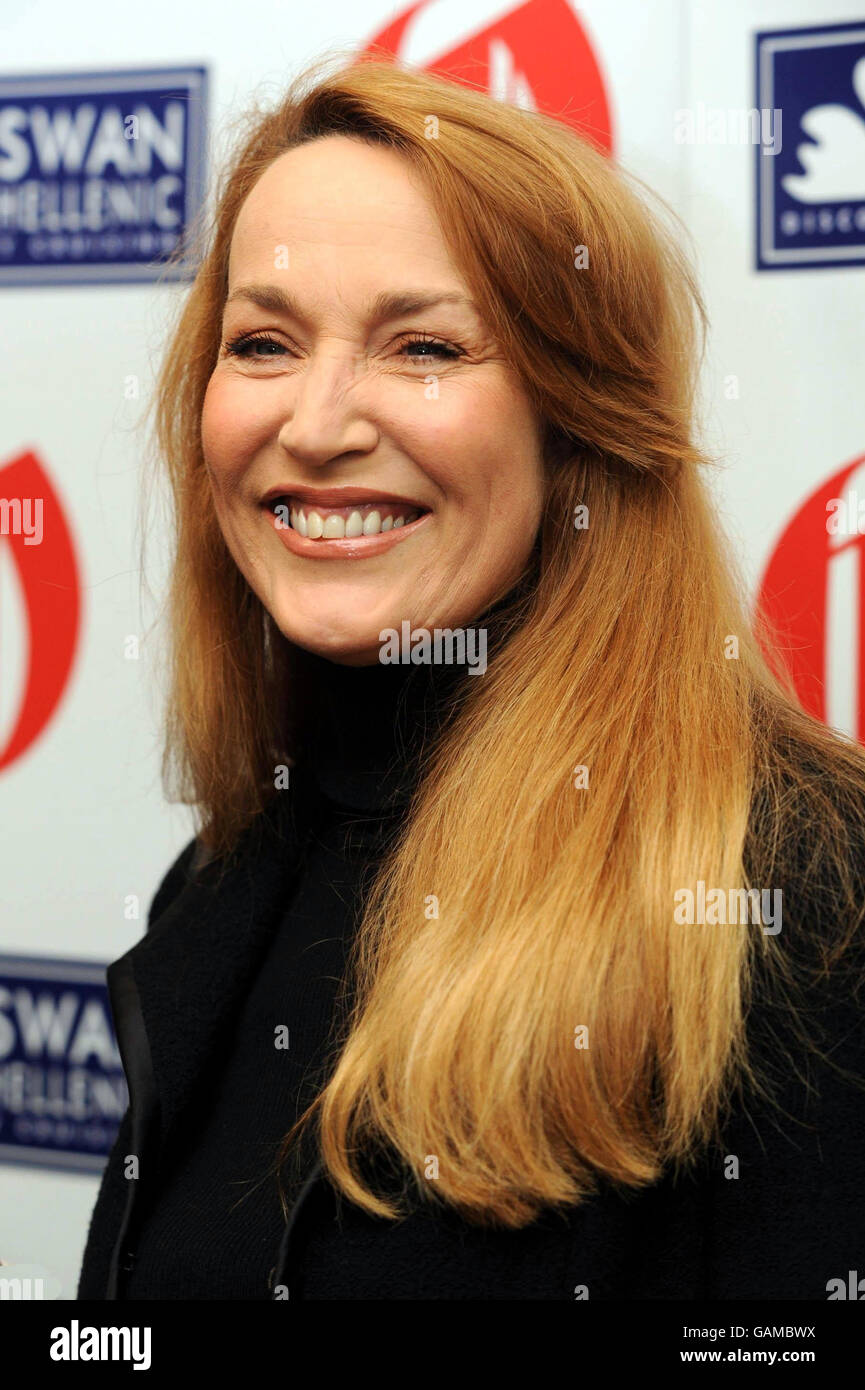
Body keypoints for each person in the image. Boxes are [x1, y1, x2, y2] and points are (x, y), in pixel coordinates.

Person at [78, 54, 865, 1301]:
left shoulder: (794, 885)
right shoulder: (228, 870)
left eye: (426, 345)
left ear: (579, 423)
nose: (320, 422)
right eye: (264, 341)